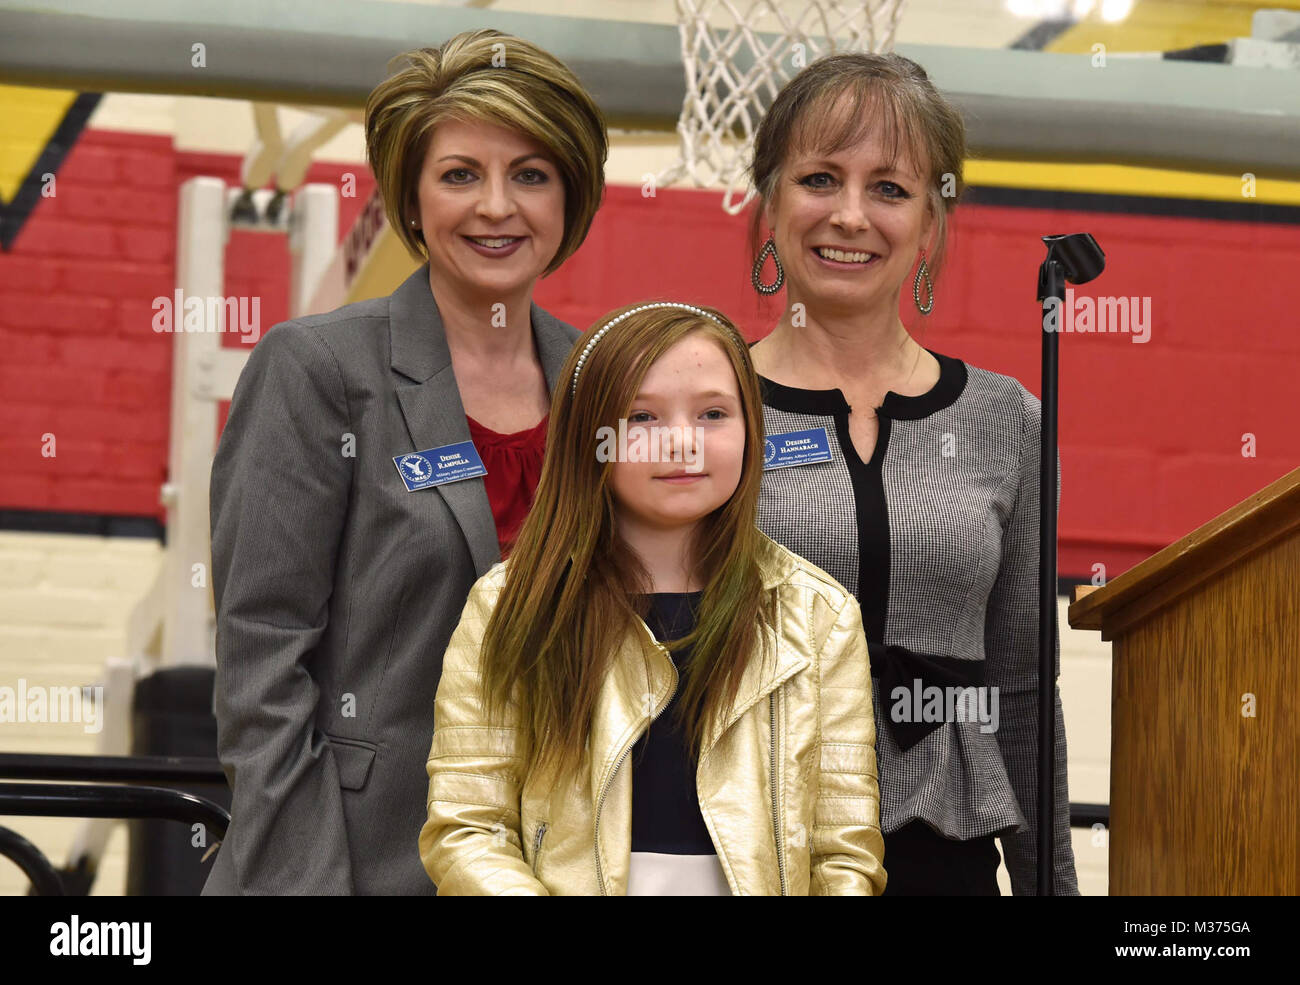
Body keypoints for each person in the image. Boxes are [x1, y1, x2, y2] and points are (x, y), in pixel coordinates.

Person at [203, 29, 607, 895]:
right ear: (412, 203)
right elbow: (263, 666)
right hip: (351, 865)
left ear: (569, 199)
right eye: (461, 173)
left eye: (531, 174)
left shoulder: (604, 384)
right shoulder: (317, 368)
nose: (497, 206)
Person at [745, 52, 1079, 895]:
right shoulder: (699, 404)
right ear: (770, 201)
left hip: (944, 856)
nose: (850, 215)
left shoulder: (1009, 420)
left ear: (932, 224)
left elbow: (1025, 689)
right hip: (746, 849)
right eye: (820, 178)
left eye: (890, 189)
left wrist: (1053, 888)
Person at [419, 302, 886, 895]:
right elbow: (467, 828)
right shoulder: (509, 604)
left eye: (714, 413)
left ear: (751, 430)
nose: (682, 443)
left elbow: (845, 852)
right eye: (642, 418)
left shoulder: (821, 614)